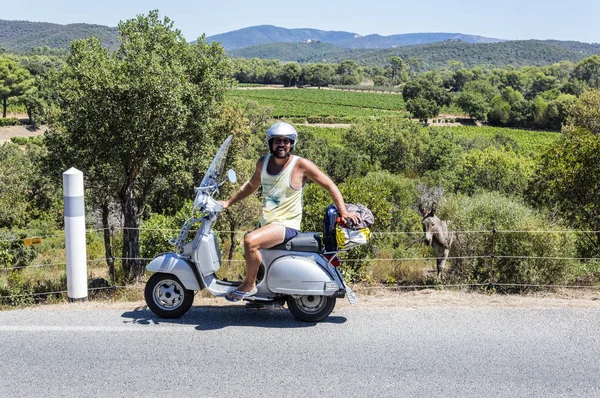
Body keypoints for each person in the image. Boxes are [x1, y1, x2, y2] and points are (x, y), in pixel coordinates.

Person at [218, 122, 360, 301]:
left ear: (292, 143)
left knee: (249, 241)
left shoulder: (300, 165)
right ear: (270, 143)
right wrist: (228, 202)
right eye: (277, 140)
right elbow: (251, 185)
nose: (282, 145)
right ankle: (263, 293)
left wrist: (344, 212)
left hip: (287, 225)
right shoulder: (263, 163)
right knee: (250, 246)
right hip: (267, 223)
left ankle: (249, 285)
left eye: (286, 141)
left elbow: (330, 185)